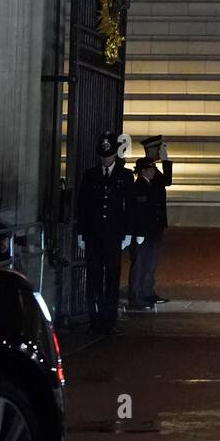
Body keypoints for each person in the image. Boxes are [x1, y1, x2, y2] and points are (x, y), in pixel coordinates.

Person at [76, 130, 133, 334]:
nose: (106, 159)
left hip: (113, 235)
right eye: (103, 155)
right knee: (93, 279)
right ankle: (95, 320)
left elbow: (129, 206)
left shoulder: (125, 176)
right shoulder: (90, 175)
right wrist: (80, 233)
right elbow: (82, 206)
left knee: (112, 278)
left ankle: (109, 321)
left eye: (108, 155)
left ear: (114, 155)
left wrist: (128, 233)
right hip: (93, 234)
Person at [127, 135, 171, 310]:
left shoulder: (153, 175)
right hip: (144, 230)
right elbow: (138, 212)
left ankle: (146, 292)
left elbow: (165, 181)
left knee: (150, 262)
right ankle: (137, 294)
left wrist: (166, 162)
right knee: (141, 262)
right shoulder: (141, 183)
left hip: (154, 228)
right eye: (158, 149)